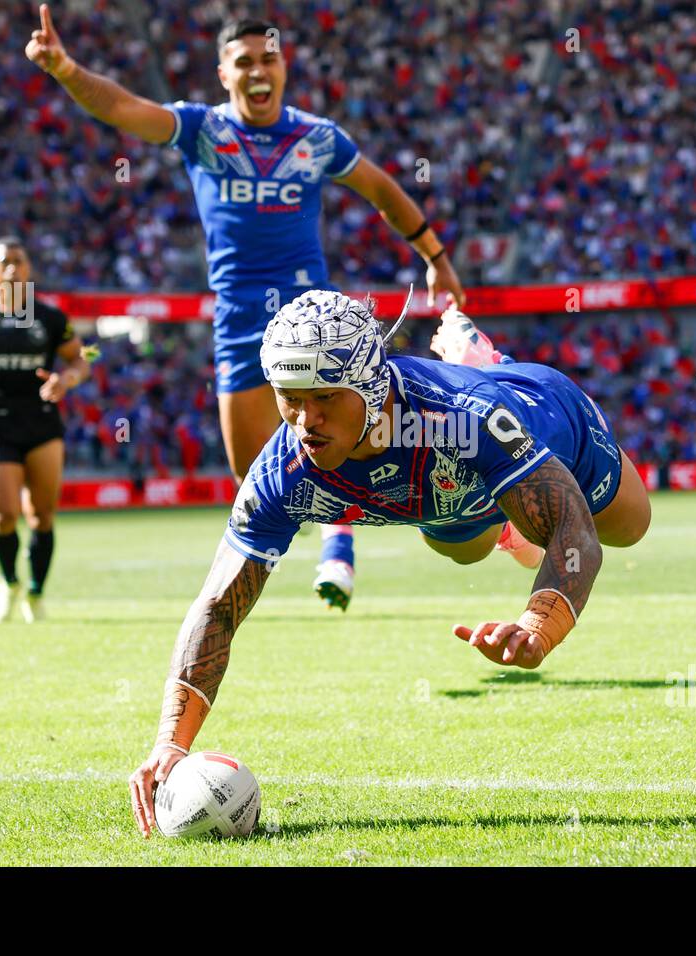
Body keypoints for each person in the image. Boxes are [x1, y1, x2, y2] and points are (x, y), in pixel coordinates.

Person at [126, 290, 651, 835]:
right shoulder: (282, 474)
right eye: (290, 398)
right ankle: (508, 524)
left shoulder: (463, 419)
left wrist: (539, 625)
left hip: (551, 422)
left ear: (371, 388)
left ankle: (488, 367)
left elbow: (576, 533)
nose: (306, 420)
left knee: (630, 528)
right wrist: (170, 743)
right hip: (450, 499)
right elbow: (219, 606)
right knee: (462, 550)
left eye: (325, 397)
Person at [25, 6, 466, 610]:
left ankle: (339, 544)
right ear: (224, 74)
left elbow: (382, 189)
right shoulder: (203, 130)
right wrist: (66, 69)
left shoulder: (316, 138)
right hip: (237, 316)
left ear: (283, 67)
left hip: (310, 315)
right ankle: (316, 520)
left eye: (269, 58)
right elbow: (123, 108)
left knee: (337, 429)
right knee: (249, 469)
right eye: (244, 62)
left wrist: (435, 256)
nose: (259, 70)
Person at [0, 237, 90, 623]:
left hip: (42, 424)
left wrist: (67, 379)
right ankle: (9, 582)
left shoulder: (50, 317)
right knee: (3, 516)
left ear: (29, 269)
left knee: (41, 517)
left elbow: (82, 357)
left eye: (19, 261)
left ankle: (36, 593)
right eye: (4, 261)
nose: (12, 268)